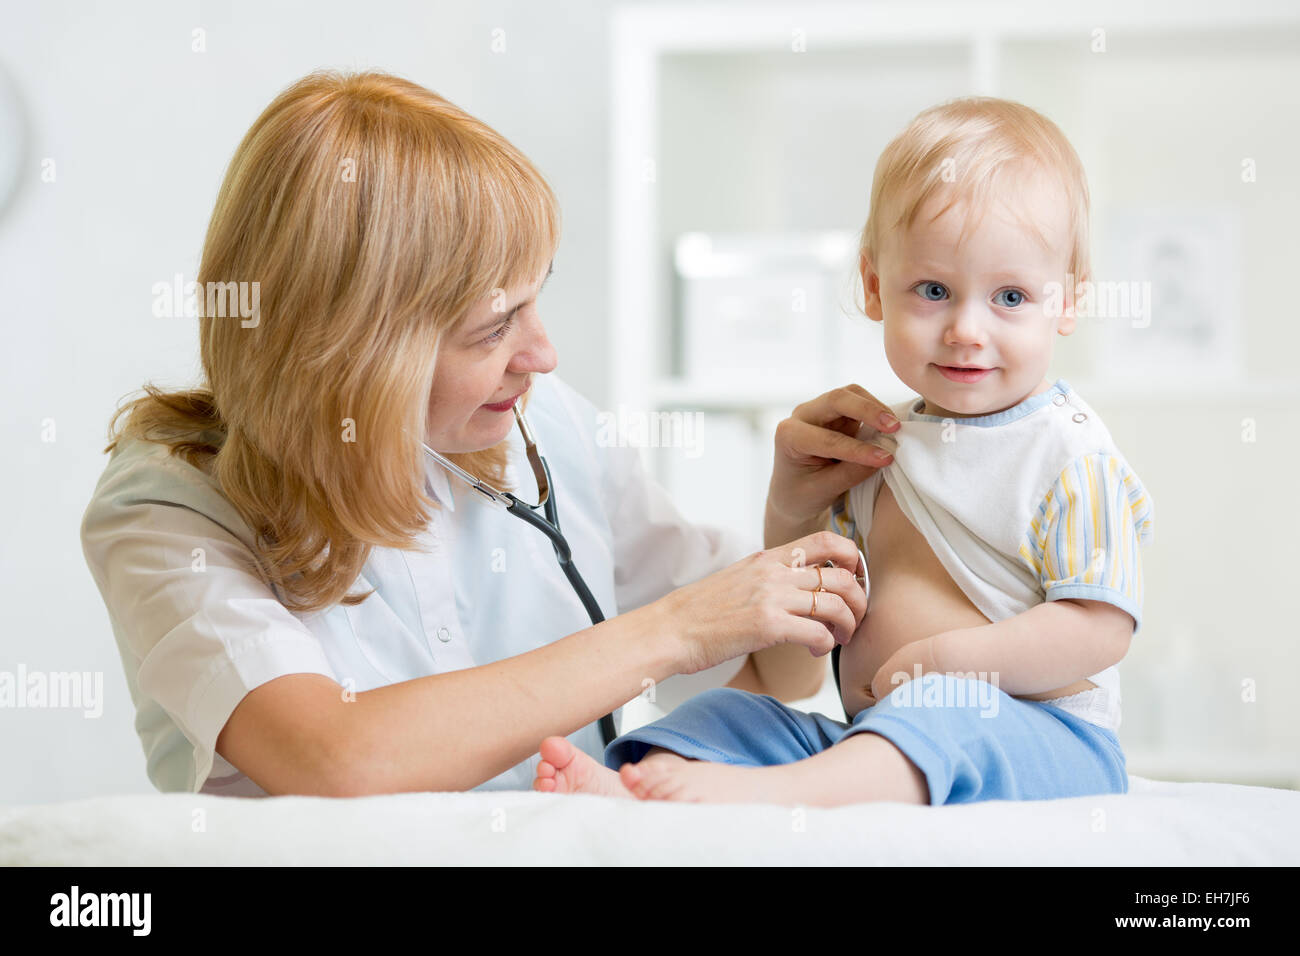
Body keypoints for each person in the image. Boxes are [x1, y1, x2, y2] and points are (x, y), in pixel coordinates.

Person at [79, 69, 899, 798]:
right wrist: (672, 628)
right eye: (494, 326)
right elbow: (333, 756)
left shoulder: (550, 429)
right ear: (356, 352)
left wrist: (792, 521)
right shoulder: (168, 504)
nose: (542, 353)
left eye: (536, 299)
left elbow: (774, 671)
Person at [533, 96, 1155, 807]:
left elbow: (1099, 629)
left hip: (1042, 739)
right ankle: (637, 784)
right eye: (933, 290)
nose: (966, 330)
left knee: (949, 712)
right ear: (872, 287)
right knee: (729, 713)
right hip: (877, 733)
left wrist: (948, 665)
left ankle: (774, 795)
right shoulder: (877, 447)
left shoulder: (1071, 455)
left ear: (1069, 303)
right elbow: (804, 637)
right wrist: (789, 512)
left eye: (1010, 296)